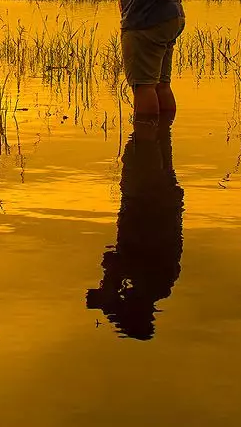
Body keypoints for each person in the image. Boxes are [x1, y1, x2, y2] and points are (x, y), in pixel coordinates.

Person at [85, 113, 184, 339]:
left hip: (156, 199)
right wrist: (110, 302)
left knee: (148, 141)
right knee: (147, 141)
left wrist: (110, 299)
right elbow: (110, 260)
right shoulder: (153, 281)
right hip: (151, 201)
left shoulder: (160, 283)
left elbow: (110, 261)